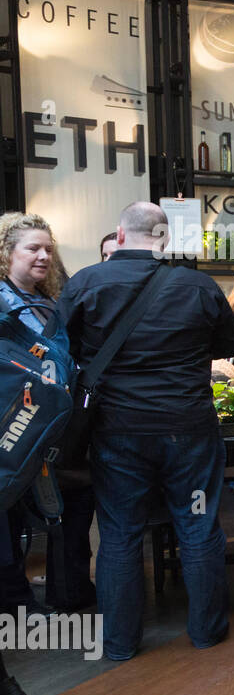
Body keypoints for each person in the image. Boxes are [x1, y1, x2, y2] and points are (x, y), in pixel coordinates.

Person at [58, 202, 234, 661]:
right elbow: (228, 346)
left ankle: (120, 644)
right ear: (163, 238)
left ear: (119, 236)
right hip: (189, 429)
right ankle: (206, 633)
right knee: (198, 526)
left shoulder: (84, 283)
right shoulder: (198, 286)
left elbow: (63, 351)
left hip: (117, 429)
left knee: (120, 534)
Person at [0, 213, 88, 615]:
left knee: (49, 508)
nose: (43, 257)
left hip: (45, 428)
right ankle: (16, 600)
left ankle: (50, 594)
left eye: (48, 249)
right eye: (32, 248)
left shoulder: (48, 302)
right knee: (8, 515)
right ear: (6, 253)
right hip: (10, 426)